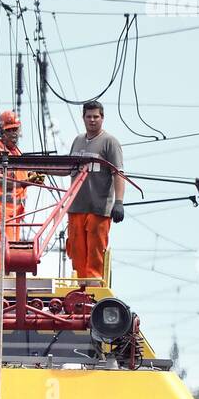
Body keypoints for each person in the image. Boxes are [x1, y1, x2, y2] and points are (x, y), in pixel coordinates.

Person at [0, 110, 44, 275]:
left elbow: (18, 178)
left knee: (9, 252)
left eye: (15, 129)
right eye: (9, 130)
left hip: (14, 215)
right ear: (1, 131)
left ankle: (3, 284)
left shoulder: (16, 153)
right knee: (0, 251)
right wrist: (25, 181)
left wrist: (31, 179)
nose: (13, 134)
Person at [66, 100, 125, 280]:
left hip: (98, 209)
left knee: (95, 255)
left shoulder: (110, 143)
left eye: (96, 117)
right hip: (76, 207)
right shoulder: (77, 141)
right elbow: (68, 169)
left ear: (102, 118)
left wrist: (119, 202)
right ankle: (78, 289)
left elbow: (118, 174)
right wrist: (42, 168)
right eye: (89, 117)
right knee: (76, 254)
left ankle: (93, 291)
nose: (92, 120)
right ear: (83, 118)